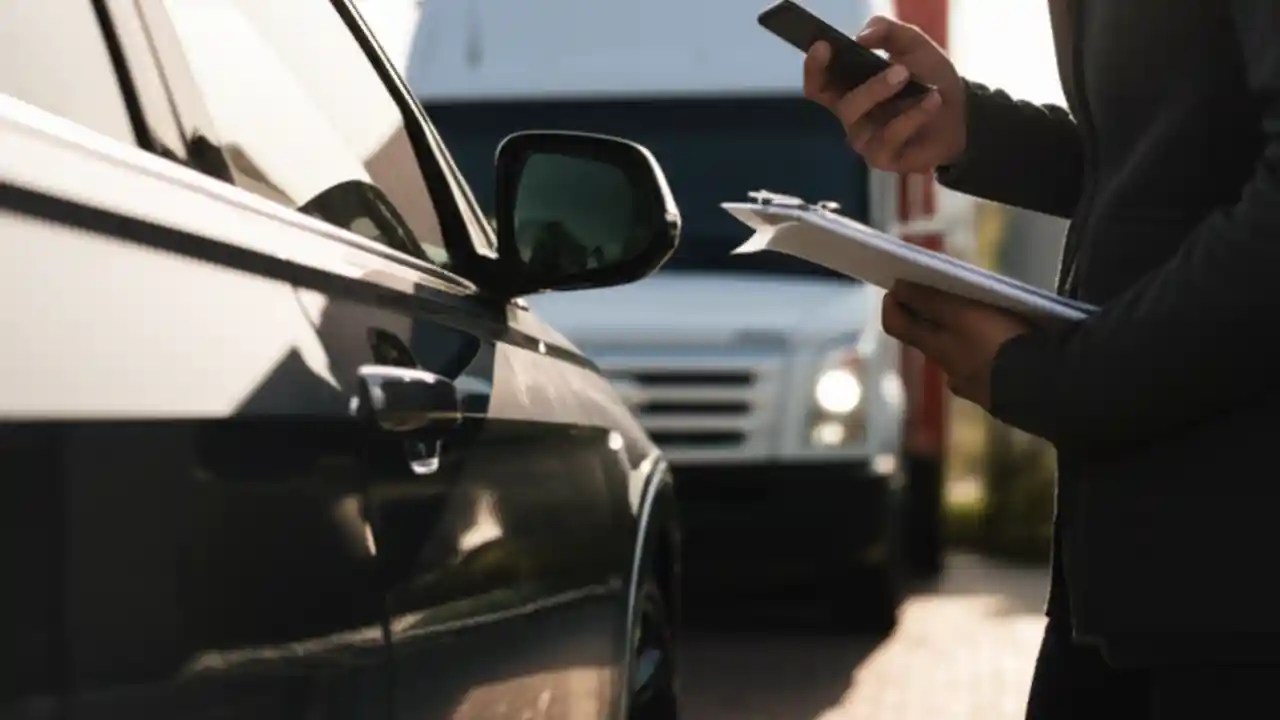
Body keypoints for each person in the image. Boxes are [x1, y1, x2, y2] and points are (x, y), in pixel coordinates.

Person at [802, 4, 1280, 719]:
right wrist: (972, 129)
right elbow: (1177, 165)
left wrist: (1062, 382)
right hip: (1140, 565)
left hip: (1238, 585)